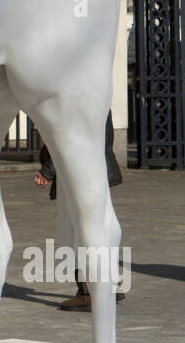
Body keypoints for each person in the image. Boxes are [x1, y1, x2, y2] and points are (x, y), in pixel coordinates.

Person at [34, 110, 125, 312]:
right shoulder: (97, 90)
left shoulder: (71, 92)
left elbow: (69, 140)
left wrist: (48, 170)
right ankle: (110, 281)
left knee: (74, 233)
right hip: (96, 170)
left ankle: (88, 292)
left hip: (75, 175)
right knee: (100, 224)